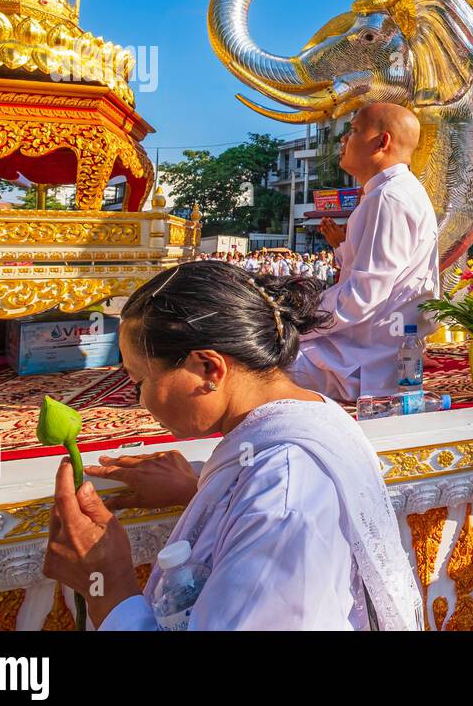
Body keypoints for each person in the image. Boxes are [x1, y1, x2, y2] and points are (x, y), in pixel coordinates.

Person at [41, 261, 423, 630]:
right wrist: (202, 494)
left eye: (139, 382)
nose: (139, 401)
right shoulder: (311, 415)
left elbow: (276, 516)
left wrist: (104, 583)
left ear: (208, 368)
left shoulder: (285, 490)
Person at [292, 103, 439, 401]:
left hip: (363, 364)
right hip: (370, 352)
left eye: (355, 130)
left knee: (248, 361)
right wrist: (343, 247)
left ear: (382, 142)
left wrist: (294, 321)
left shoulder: (389, 197)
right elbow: (380, 276)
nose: (343, 140)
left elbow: (363, 296)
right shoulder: (391, 192)